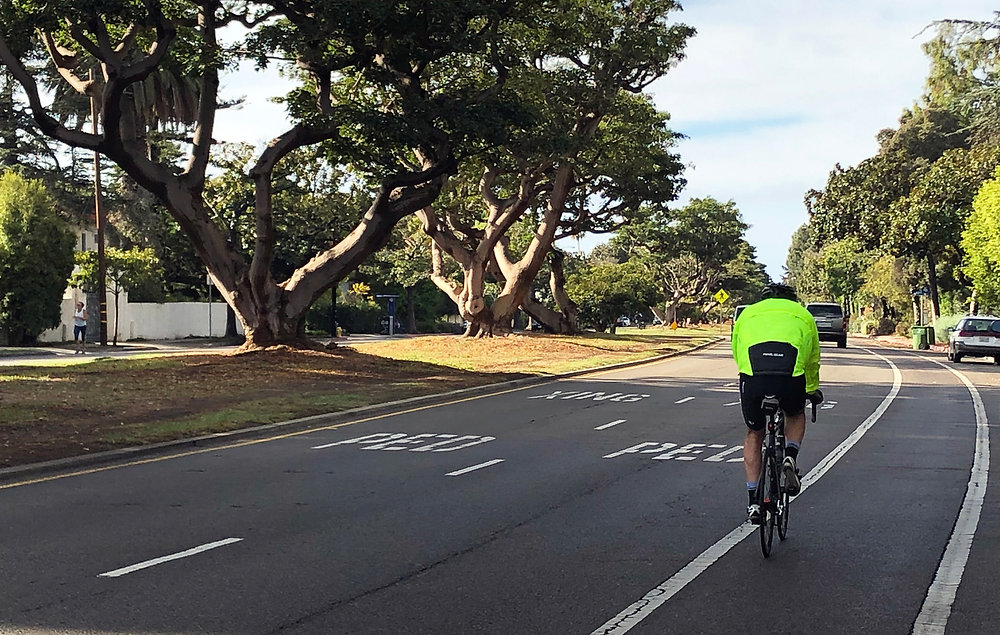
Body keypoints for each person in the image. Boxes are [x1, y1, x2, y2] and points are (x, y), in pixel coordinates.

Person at [731, 283, 822, 525]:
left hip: (754, 376)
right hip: (790, 377)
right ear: (792, 299)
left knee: (754, 433)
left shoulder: (747, 313)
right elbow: (813, 359)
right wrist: (811, 389)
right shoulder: (804, 315)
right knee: (795, 413)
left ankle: (753, 501)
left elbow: (736, 351)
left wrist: (748, 375)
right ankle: (790, 456)